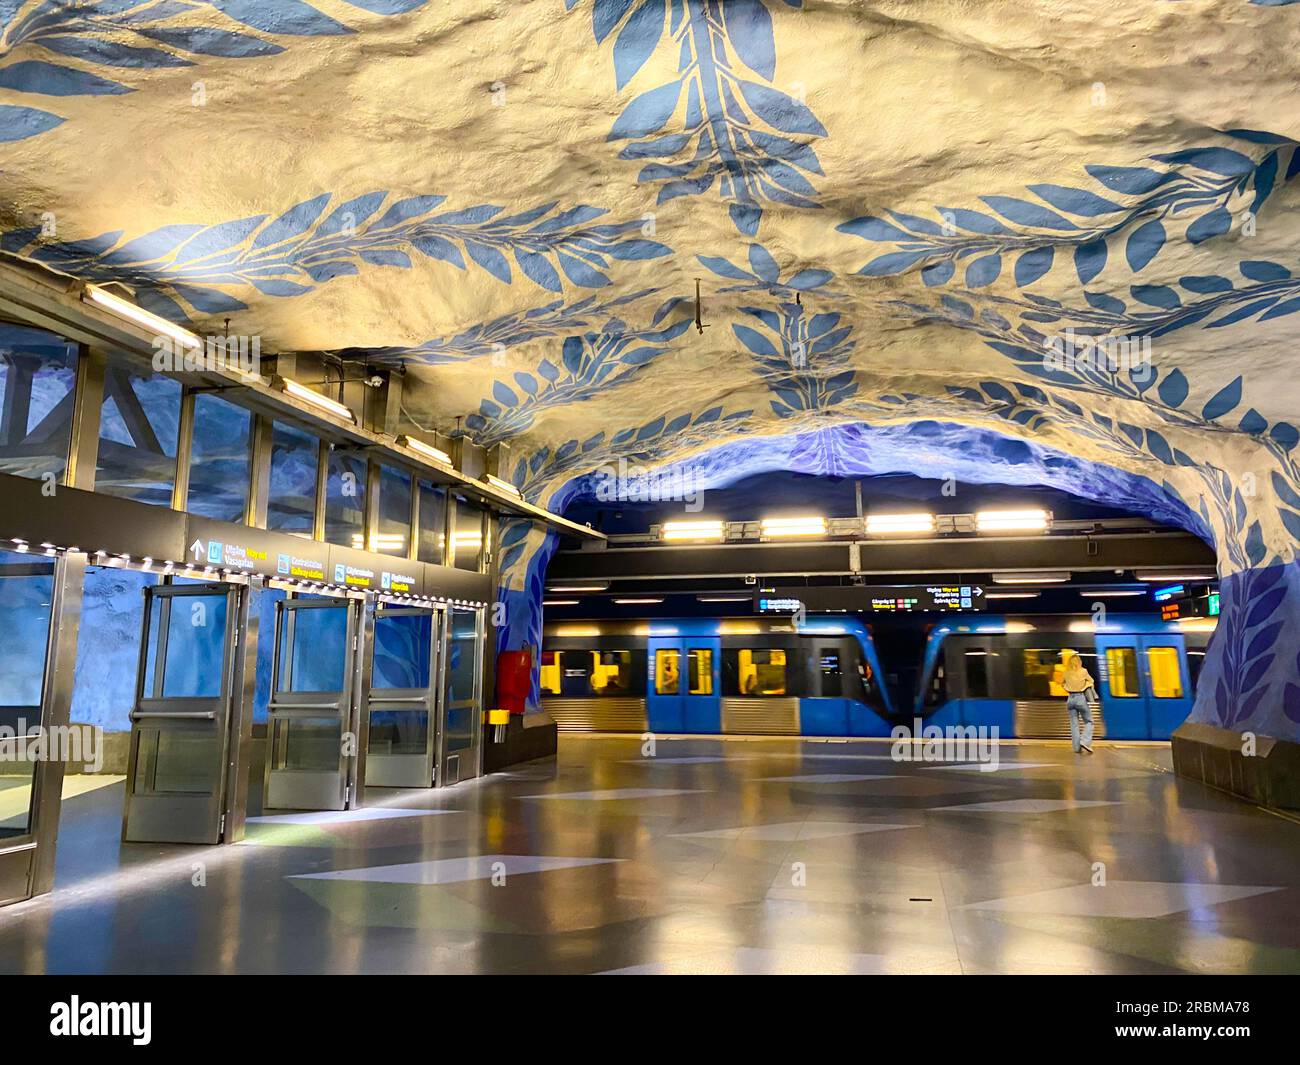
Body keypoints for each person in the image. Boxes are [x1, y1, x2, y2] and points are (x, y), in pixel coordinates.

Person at [1062, 653, 1097, 754]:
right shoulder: (1083, 671)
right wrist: (1085, 686)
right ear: (1079, 662)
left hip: (1070, 698)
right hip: (1080, 697)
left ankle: (1077, 748)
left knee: (1074, 724)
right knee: (1089, 721)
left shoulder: (1066, 672)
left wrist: (1068, 689)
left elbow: (1062, 684)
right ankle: (1085, 741)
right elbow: (1091, 681)